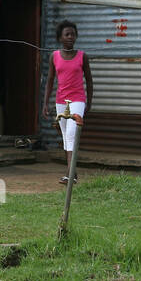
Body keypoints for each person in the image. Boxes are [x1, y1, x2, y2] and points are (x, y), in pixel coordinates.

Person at [41, 19, 93, 185]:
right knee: (65, 137)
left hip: (77, 100)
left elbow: (89, 81)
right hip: (61, 101)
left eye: (73, 34)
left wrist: (89, 103)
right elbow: (49, 80)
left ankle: (70, 176)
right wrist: (45, 103)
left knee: (71, 134)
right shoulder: (54, 56)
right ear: (60, 38)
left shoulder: (82, 56)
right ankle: (72, 173)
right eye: (67, 34)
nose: (71, 37)